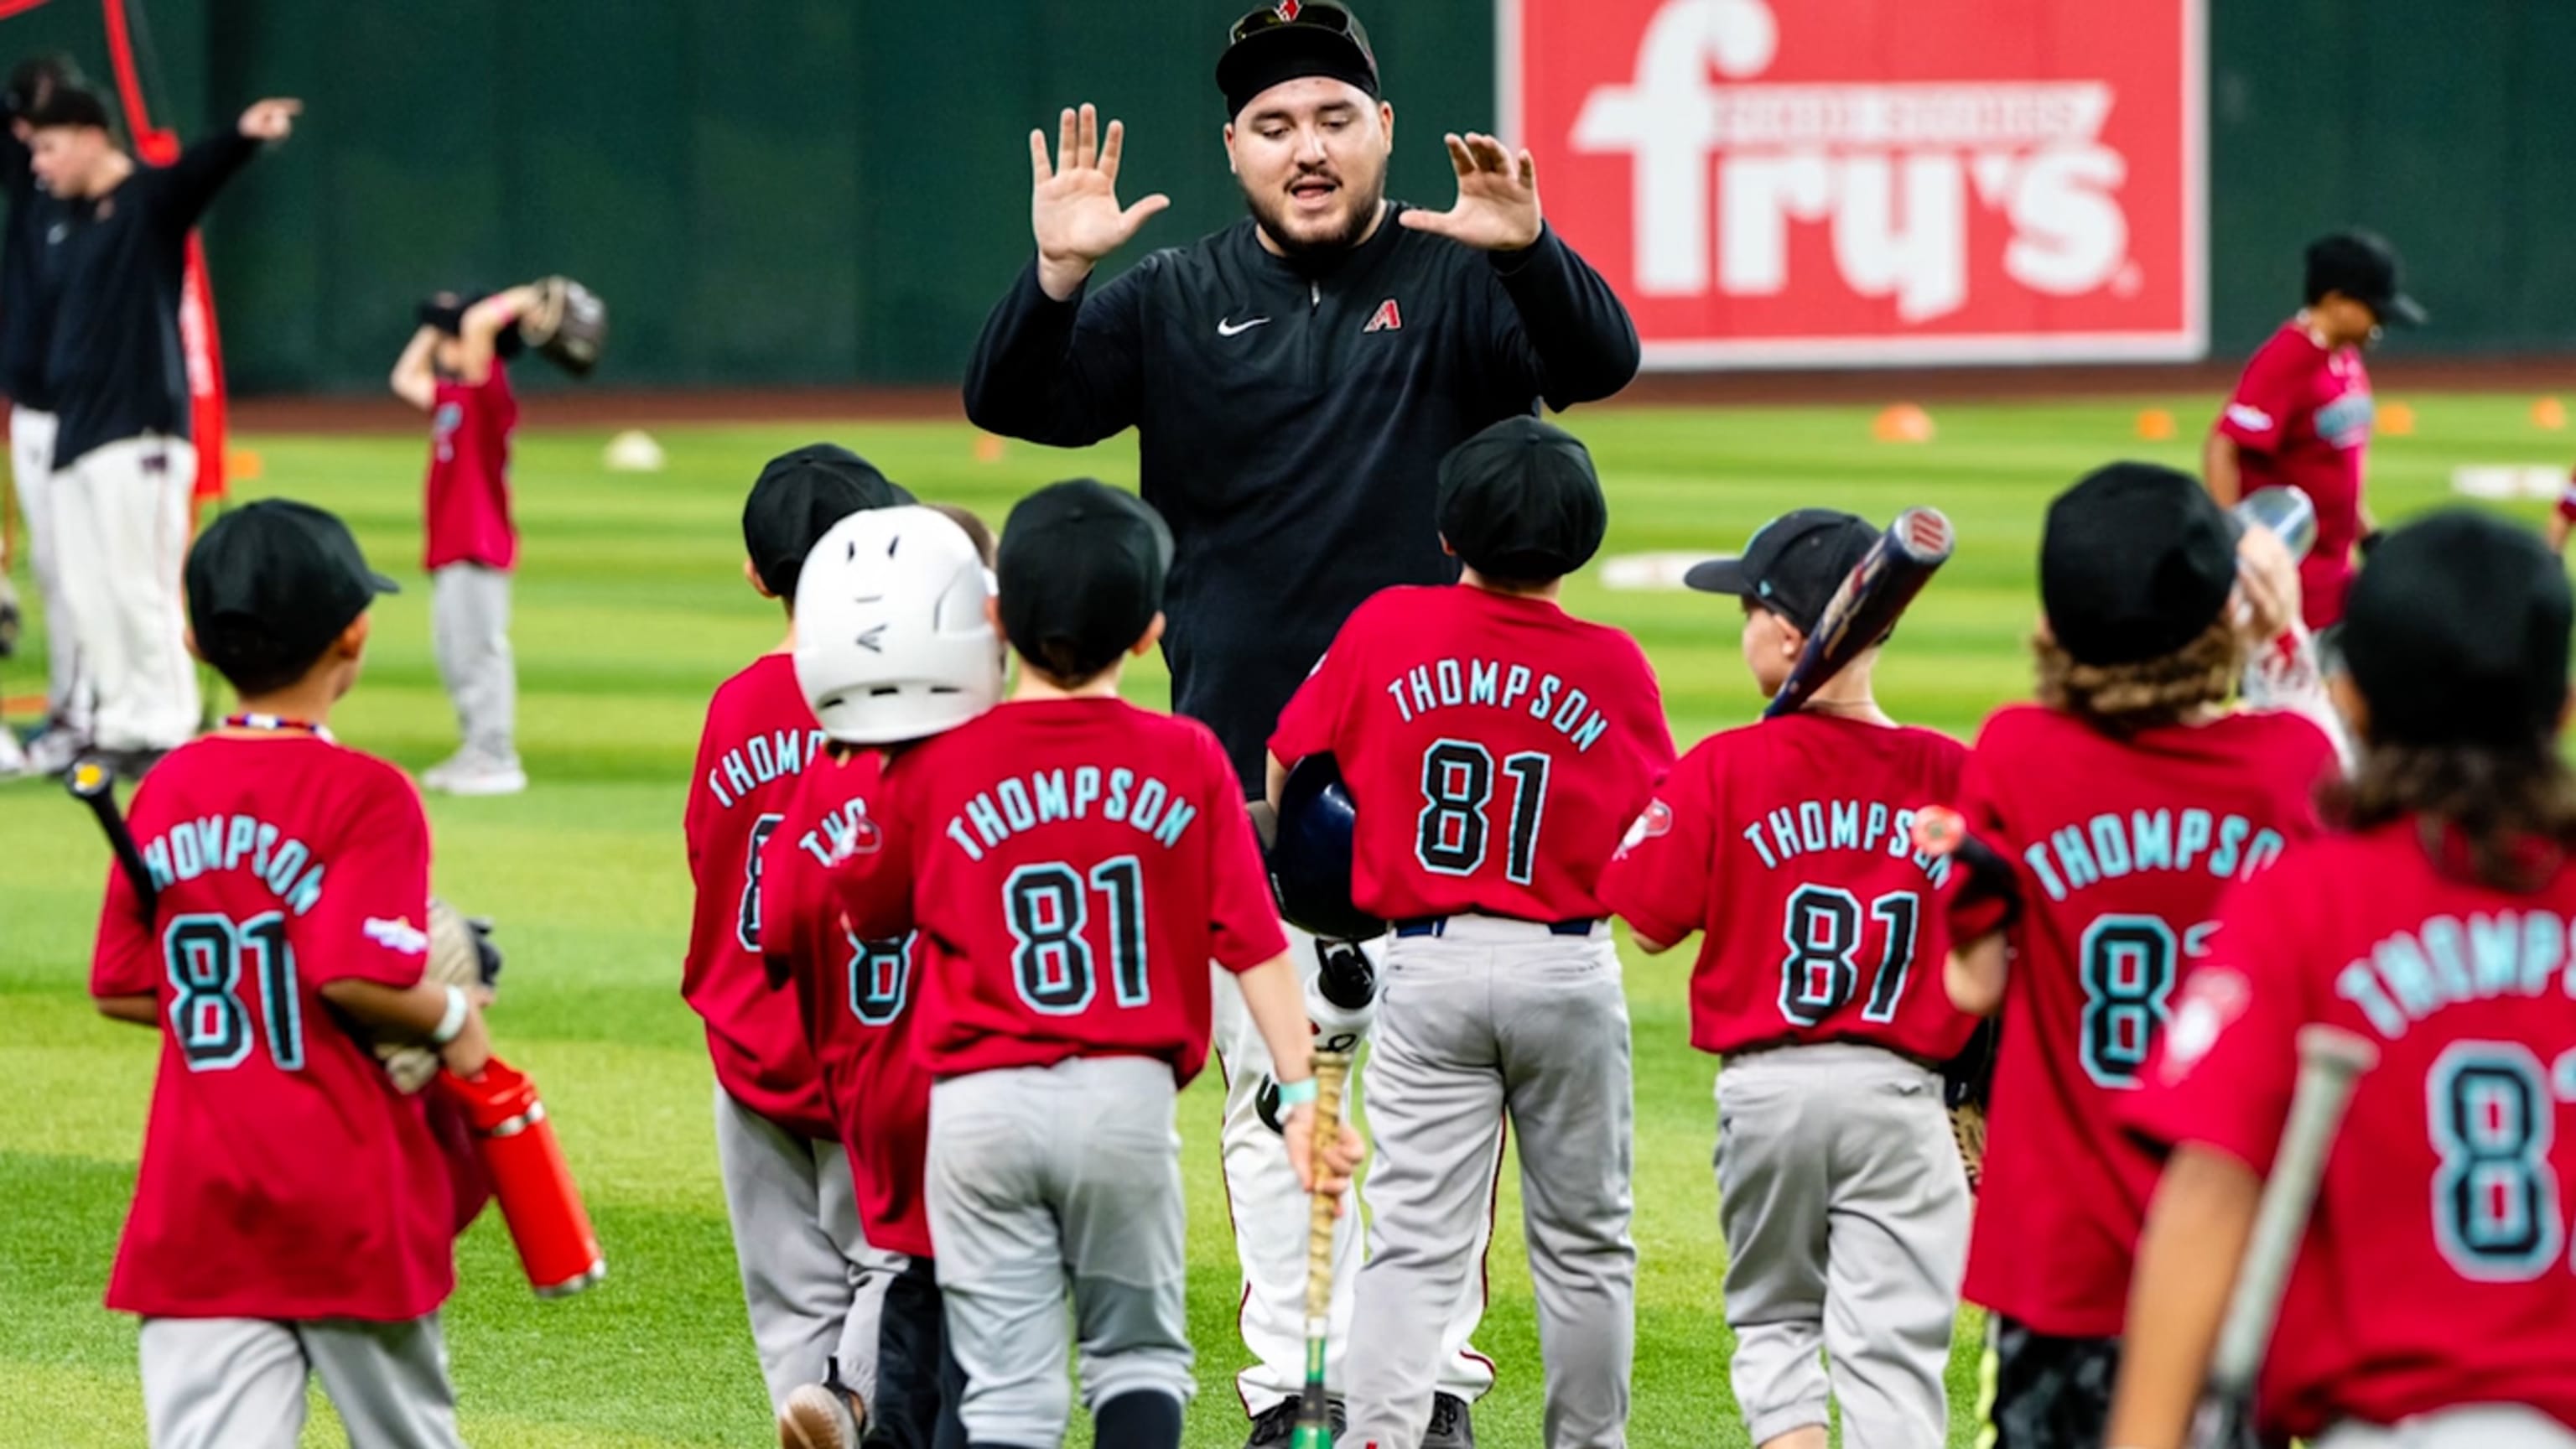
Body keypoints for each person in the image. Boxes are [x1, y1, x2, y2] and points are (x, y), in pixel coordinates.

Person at [962, 7, 1638, 1436]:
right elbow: (1011, 399)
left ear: (1383, 130)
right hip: (1242, 763)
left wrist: (1524, 246)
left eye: (1333, 117)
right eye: (1273, 126)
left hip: (1442, 771)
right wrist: (1055, 274)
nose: (1306, 148)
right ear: (1233, 149)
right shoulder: (1166, 296)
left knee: (1436, 1119)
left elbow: (1599, 361)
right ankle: (1295, 1386)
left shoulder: (1460, 282)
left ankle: (1428, 1383)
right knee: (1278, 1107)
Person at [828, 479, 1360, 1449]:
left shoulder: (940, 759)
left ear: (994, 615)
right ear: (1152, 631)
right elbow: (1253, 944)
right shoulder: (1190, 756)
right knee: (1137, 1361)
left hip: (979, 1105)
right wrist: (1300, 1101)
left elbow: (866, 908)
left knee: (1008, 1393)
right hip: (1125, 1100)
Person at [2110, 511, 2576, 1449]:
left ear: (2352, 701)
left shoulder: (2304, 899)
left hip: (2381, 1423)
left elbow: (2208, 1196)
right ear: (2560, 706)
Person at [1264, 417, 1669, 1448]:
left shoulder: (1389, 626)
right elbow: (1648, 834)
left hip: (1428, 965)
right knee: (1587, 1247)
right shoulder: (1615, 664)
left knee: (1410, 1246)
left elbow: (1291, 772)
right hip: (1567, 966)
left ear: (1450, 532)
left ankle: (1381, 1438)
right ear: (1583, 539)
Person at [1940, 462, 2340, 1448]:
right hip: (2240, 1249)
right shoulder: (2292, 762)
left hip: (2059, 1249)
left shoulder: (2016, 752)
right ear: (2223, 613)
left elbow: (1973, 984)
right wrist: (2282, 643)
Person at [87, 497, 492, 1449]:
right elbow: (350, 972)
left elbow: (121, 981)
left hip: (199, 1203)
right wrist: (452, 1021)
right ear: (355, 631)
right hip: (346, 1196)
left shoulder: (168, 787)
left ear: (192, 637)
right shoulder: (369, 794)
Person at [1595, 507, 1980, 1449]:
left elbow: (1643, 921)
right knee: (1891, 1351)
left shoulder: (1725, 766)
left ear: (1783, 633)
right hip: (1903, 1098)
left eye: (1746, 611)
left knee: (1776, 1329)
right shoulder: (1954, 773)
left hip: (1766, 1094)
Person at [681, 444, 912, 1424]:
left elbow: (708, 853)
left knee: (789, 1304)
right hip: (871, 1039)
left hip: (749, 1037)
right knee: (896, 1266)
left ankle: (817, 1404)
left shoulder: (736, 704)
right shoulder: (911, 697)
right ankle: (847, 1403)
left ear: (754, 574)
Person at [761, 502, 995, 1449]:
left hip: (872, 1098)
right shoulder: (989, 765)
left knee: (910, 1321)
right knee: (988, 1349)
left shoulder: (824, 776)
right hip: (982, 1096)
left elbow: (777, 932)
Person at [27, 85, 299, 775]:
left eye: (50, 147)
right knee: (88, 589)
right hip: (77, 431)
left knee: (139, 584)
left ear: (92, 136)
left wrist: (243, 134)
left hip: (139, 428)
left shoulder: (146, 203)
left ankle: (170, 729)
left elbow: (192, 177)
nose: (40, 164)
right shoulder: (68, 221)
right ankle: (122, 723)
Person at [2203, 230, 2423, 631]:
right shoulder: (2285, 359)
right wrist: (2233, 544)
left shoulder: (2346, 359)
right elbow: (2225, 446)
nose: (2382, 323)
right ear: (2336, 302)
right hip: (2289, 589)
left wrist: (2371, 537)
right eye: (2374, 310)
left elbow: (2330, 466)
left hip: (2335, 580)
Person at [390, 285, 543, 796]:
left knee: (479, 652)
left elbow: (480, 326)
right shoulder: (454, 397)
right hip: (453, 548)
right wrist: (436, 326)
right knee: (456, 654)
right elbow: (403, 378)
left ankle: (496, 755)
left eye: (448, 335)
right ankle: (476, 748)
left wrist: (530, 297)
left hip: (478, 546)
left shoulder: (488, 390)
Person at [0, 55, 80, 776]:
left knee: (82, 571)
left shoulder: (104, 191)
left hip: (84, 408)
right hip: (29, 405)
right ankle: (71, 714)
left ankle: (88, 716)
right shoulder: (29, 181)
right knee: (53, 570)